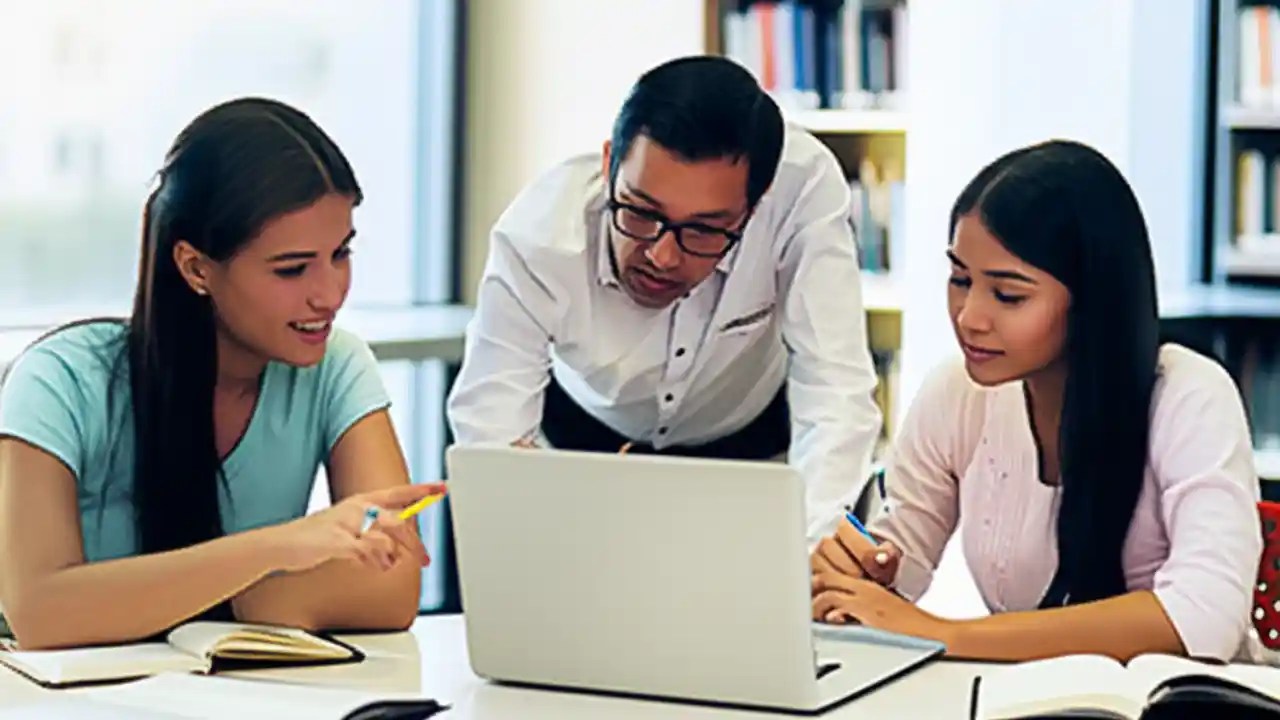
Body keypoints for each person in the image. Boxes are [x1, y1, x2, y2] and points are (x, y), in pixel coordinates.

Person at [0, 98, 443, 650]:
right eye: (292, 268)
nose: (329, 294)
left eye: (341, 254)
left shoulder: (336, 366)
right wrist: (281, 550)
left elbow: (391, 586)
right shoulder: (58, 382)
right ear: (195, 268)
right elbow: (41, 614)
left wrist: (178, 601)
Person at [809, 140, 1263, 663]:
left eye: (1009, 296)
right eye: (960, 279)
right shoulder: (957, 392)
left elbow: (1205, 618)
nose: (969, 317)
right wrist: (853, 577)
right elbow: (899, 568)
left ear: (1092, 299)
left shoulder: (1189, 394)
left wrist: (946, 634)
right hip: (1034, 702)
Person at [447, 56, 882, 538]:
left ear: (754, 209)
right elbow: (490, 432)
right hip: (583, 443)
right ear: (610, 162)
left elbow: (834, 387)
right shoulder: (540, 235)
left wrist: (816, 549)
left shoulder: (803, 190)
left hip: (748, 447)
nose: (662, 255)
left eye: (703, 230)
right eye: (639, 212)